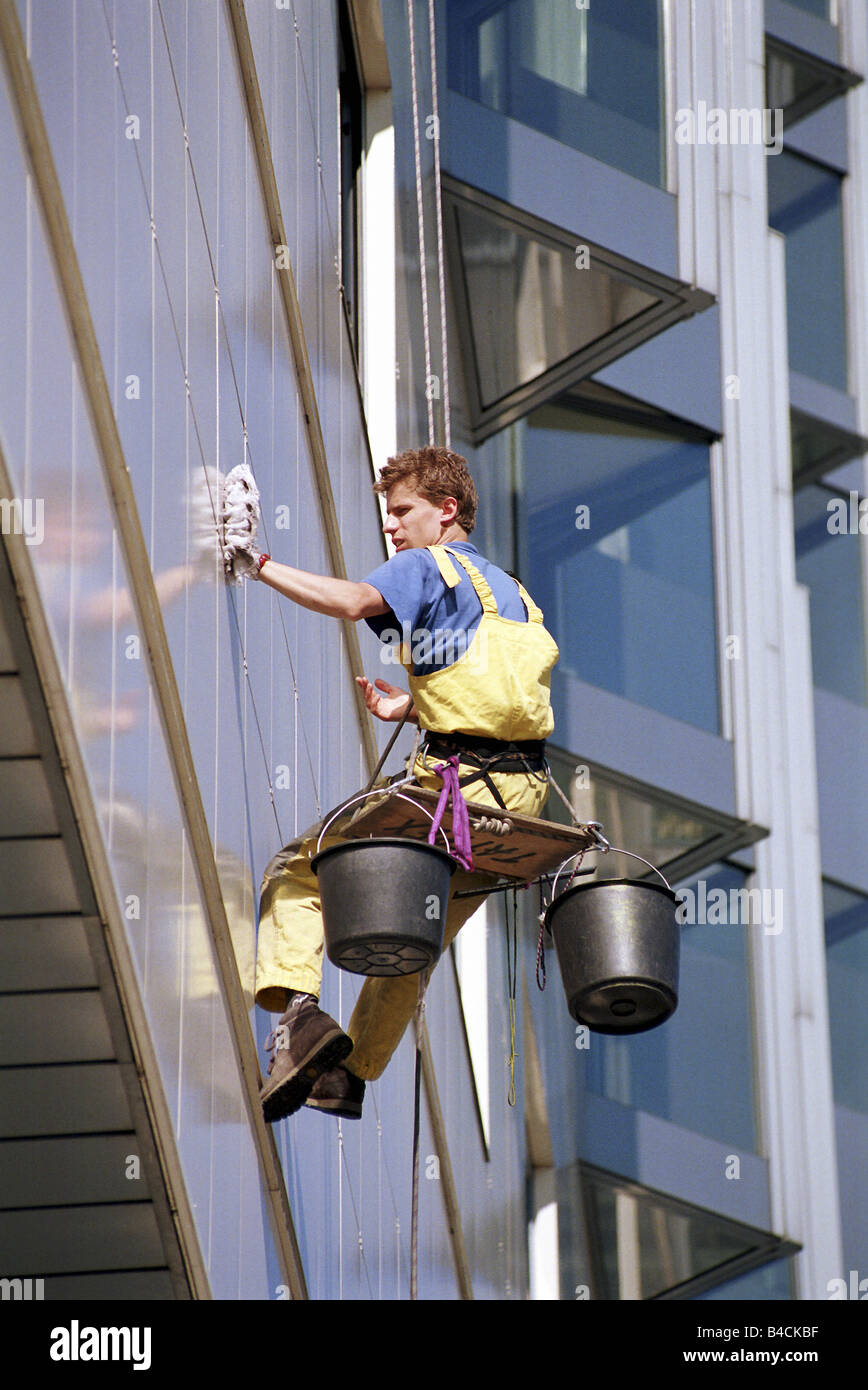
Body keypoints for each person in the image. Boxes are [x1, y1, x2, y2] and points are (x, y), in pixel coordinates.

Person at [233, 446, 559, 1122]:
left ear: (446, 512)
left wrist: (258, 563)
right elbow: (499, 701)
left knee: (299, 868)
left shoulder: (426, 564)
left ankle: (298, 1013)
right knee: (418, 929)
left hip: (453, 791)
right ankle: (346, 1078)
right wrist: (409, 707)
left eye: (402, 510)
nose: (391, 526)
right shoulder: (516, 595)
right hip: (518, 805)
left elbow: (354, 603)